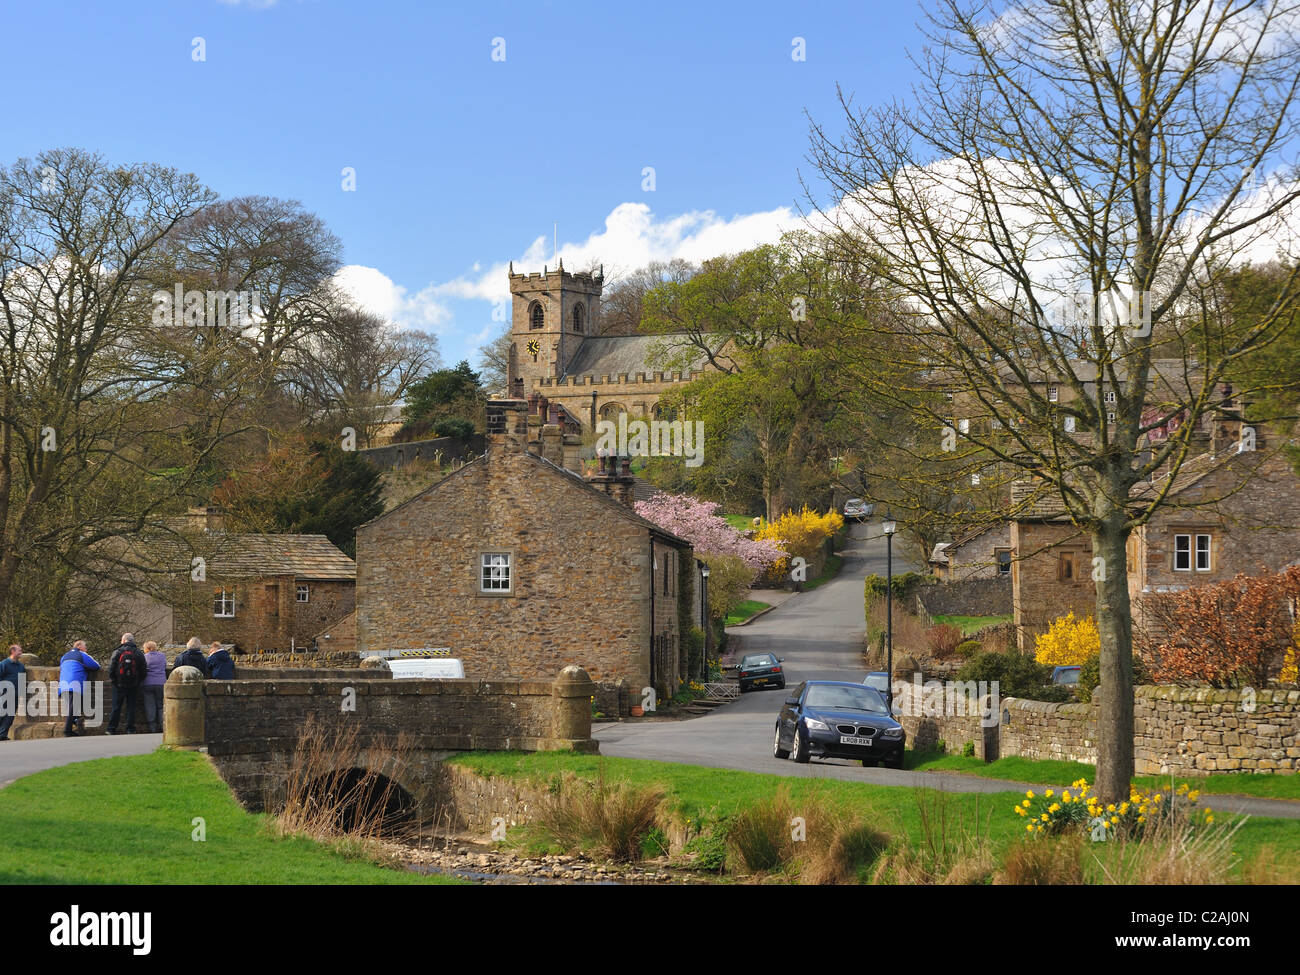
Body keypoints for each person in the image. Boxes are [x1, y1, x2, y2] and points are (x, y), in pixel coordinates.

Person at [106, 633, 146, 735]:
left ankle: (111, 728)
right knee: (131, 707)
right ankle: (130, 729)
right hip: (133, 685)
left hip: (119, 684)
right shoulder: (138, 652)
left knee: (116, 707)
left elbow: (111, 669)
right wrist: (138, 681)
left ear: (123, 641)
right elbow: (143, 670)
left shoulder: (118, 652)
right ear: (132, 641)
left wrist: (114, 681)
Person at [58, 641, 100, 736]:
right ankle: (67, 731)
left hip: (63, 685)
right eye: (85, 646)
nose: (86, 649)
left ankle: (76, 723)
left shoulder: (64, 656)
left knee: (72, 709)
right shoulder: (81, 655)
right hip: (74, 684)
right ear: (79, 646)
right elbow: (96, 666)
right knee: (73, 709)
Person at [140, 640, 167, 733]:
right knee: (161, 705)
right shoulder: (162, 656)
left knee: (150, 705)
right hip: (161, 683)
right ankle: (163, 726)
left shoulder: (144, 657)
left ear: (147, 649)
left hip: (148, 683)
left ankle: (152, 728)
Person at [0, 644, 25, 741]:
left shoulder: (21, 666)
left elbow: (22, 680)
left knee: (9, 717)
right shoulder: (4, 664)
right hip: (4, 694)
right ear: (13, 652)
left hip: (15, 695)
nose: (21, 652)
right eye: (19, 650)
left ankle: (2, 735)